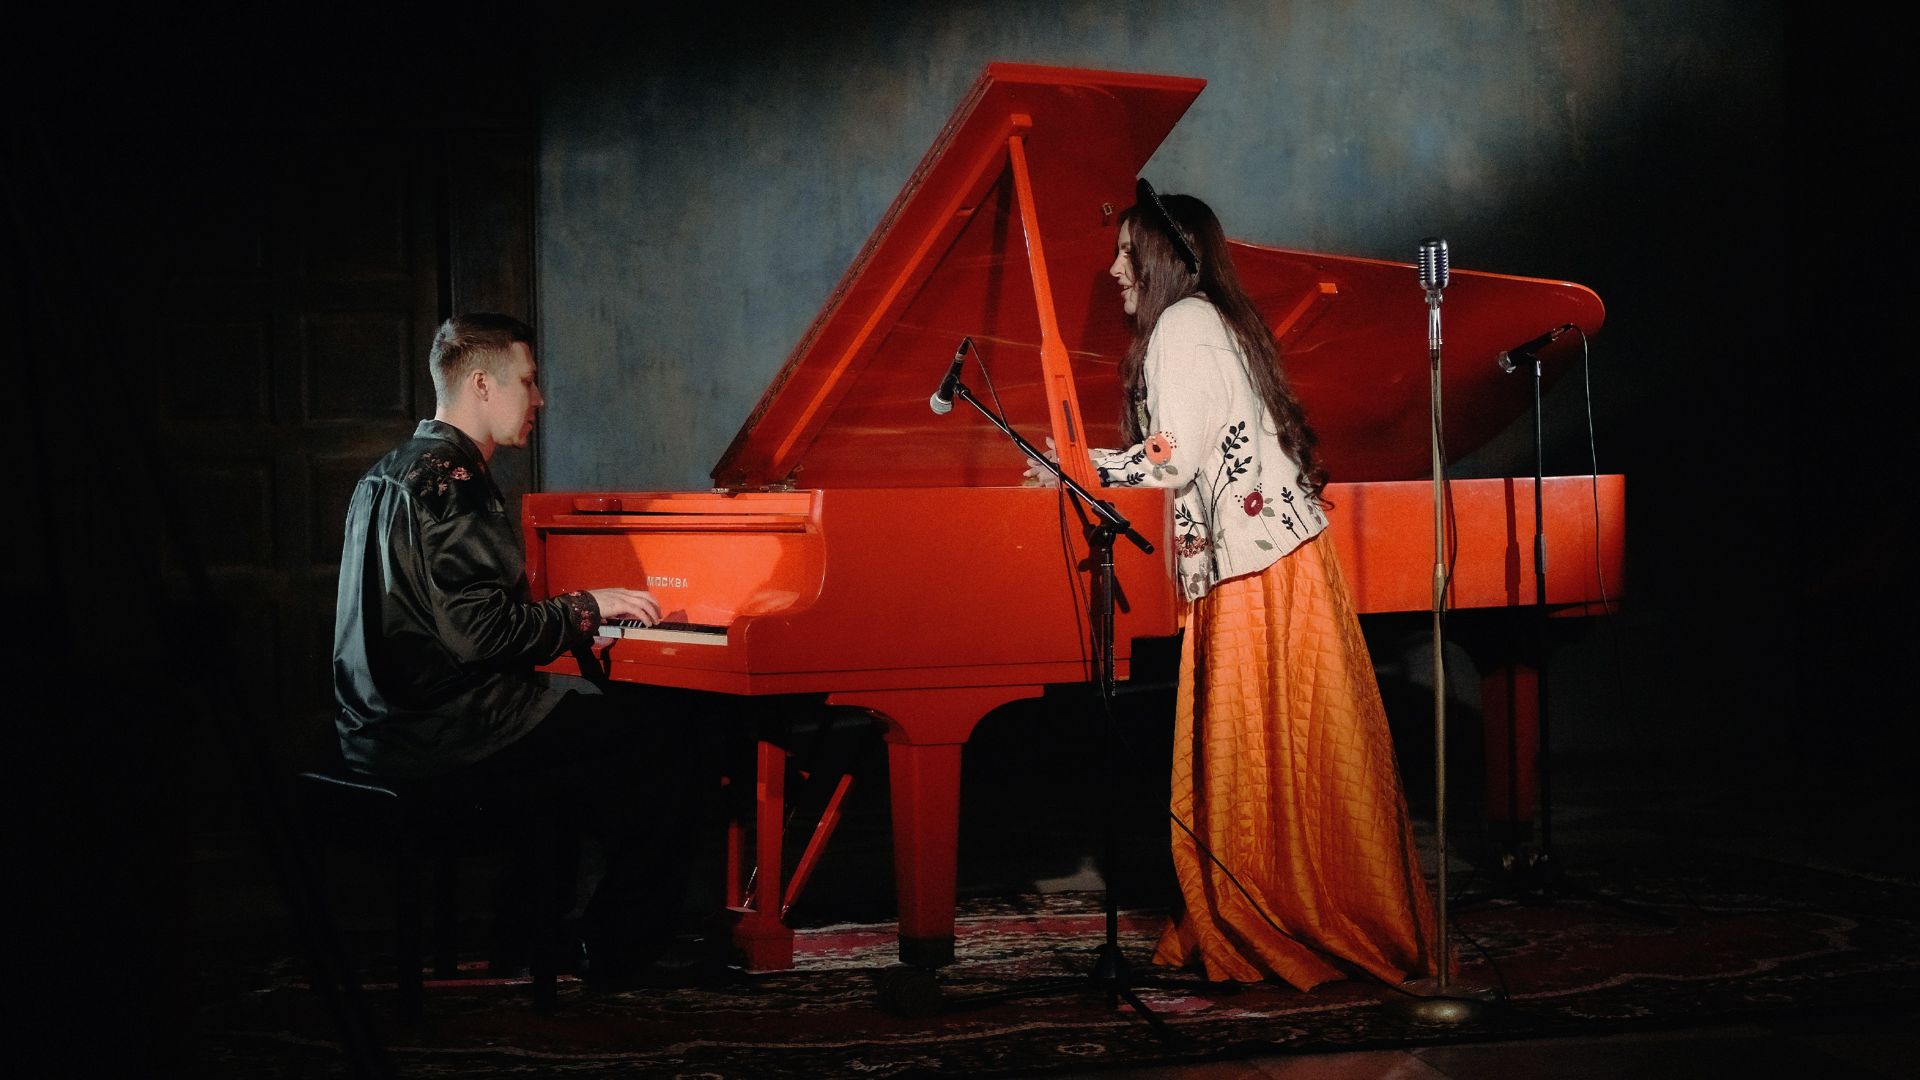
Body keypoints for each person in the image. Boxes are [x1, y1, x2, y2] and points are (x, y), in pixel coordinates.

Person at [1079, 181, 1437, 990]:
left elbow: (1172, 454)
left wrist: (1080, 467)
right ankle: (1297, 891)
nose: (1115, 270)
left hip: (1254, 572)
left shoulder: (1182, 323)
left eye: (1127, 253)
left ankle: (1271, 907)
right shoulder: (1212, 318)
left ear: (1161, 256)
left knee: (1254, 745)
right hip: (1273, 560)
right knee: (1289, 742)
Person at [332, 312, 718, 986]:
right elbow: (482, 633)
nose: (538, 399)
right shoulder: (452, 478)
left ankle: (531, 931)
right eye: (528, 381)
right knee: (668, 736)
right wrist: (587, 607)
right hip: (445, 731)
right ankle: (622, 950)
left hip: (375, 725)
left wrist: (567, 622)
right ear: (482, 384)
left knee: (593, 734)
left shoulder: (388, 472)